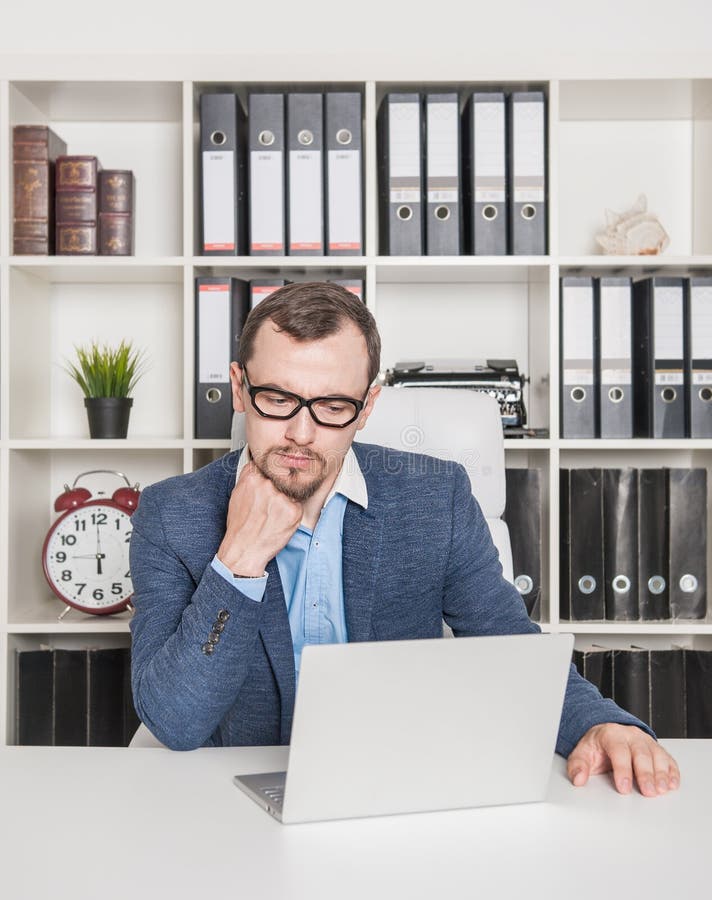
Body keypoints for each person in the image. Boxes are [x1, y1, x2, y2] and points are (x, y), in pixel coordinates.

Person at [129, 281, 679, 798]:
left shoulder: (435, 497)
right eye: (277, 398)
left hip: (395, 789)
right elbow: (175, 720)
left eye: (333, 407)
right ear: (239, 388)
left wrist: (599, 722)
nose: (301, 433)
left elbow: (510, 646)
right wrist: (239, 561)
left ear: (367, 407)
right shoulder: (170, 514)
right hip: (230, 798)